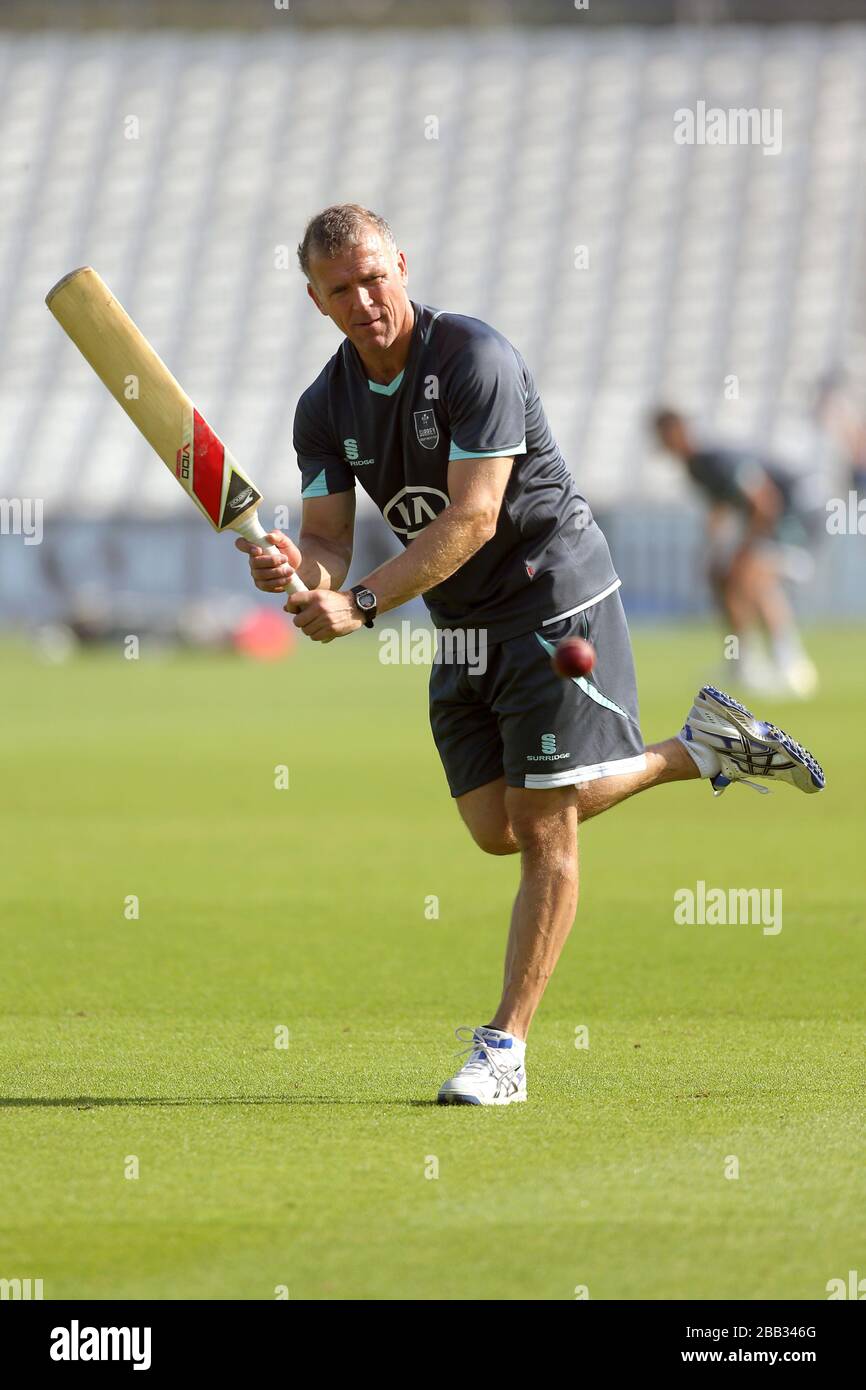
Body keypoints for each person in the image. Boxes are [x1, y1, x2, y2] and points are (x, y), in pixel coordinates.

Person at [237, 206, 825, 1107]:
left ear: (401, 261)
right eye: (341, 290)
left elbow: (472, 516)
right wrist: (300, 573)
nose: (364, 301)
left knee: (543, 823)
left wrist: (356, 605)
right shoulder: (323, 406)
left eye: (374, 277)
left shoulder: (475, 358)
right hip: (459, 617)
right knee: (496, 828)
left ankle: (504, 1048)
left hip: (555, 601)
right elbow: (325, 536)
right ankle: (696, 748)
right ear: (316, 301)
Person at [652, 409, 822, 697]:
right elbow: (723, 508)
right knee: (724, 578)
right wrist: (715, 553)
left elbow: (765, 501)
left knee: (753, 577)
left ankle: (792, 665)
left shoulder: (715, 461)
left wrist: (744, 550)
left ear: (678, 431)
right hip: (773, 519)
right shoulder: (696, 469)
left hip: (797, 516)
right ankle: (743, 664)